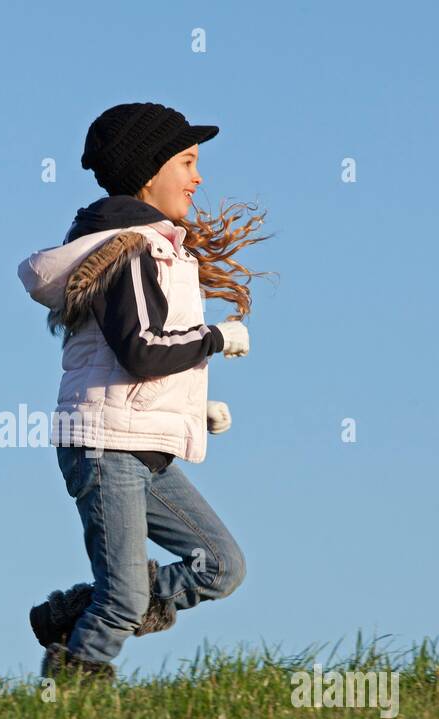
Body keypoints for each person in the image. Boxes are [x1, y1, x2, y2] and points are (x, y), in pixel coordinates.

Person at [16, 102, 272, 682]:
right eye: (187, 161)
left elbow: (133, 355)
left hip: (140, 444)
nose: (198, 177)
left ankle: (72, 613)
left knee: (221, 565)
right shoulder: (130, 248)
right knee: (125, 600)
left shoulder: (150, 245)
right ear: (149, 171)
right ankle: (75, 682)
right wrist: (217, 338)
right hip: (107, 447)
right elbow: (142, 348)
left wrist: (190, 404)